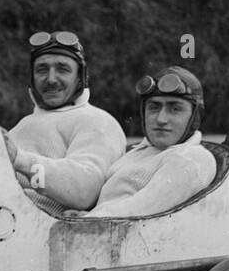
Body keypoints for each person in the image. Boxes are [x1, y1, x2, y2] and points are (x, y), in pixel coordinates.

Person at [2, 31, 127, 211]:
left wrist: (21, 160)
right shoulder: (22, 125)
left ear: (80, 78)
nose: (51, 79)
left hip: (43, 230)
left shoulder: (97, 121)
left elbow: (84, 191)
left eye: (62, 69)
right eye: (42, 70)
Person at [81, 66, 216, 217]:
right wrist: (85, 214)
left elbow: (138, 211)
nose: (161, 119)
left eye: (175, 109)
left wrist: (87, 220)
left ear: (195, 116)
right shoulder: (137, 152)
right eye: (154, 107)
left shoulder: (193, 158)